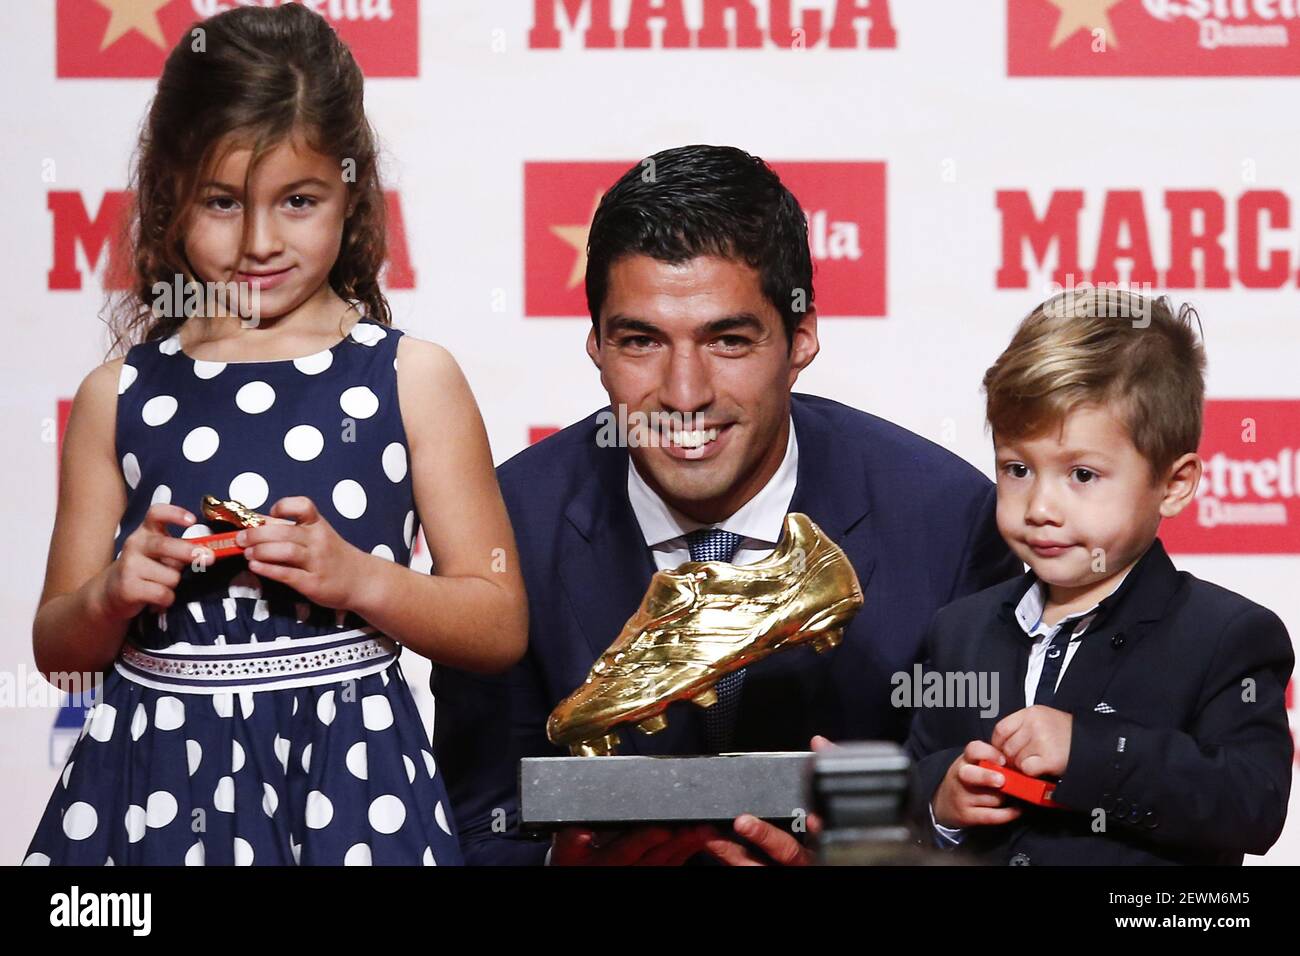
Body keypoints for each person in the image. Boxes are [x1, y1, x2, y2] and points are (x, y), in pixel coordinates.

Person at [23, 4, 527, 866]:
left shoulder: (411, 379)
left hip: (353, 781)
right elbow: (56, 648)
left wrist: (360, 577)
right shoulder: (120, 394)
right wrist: (112, 593)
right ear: (168, 196)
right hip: (153, 787)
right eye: (221, 203)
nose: (258, 242)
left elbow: (497, 622)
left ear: (352, 191)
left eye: (298, 201)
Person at [432, 144, 1022, 865]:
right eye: (641, 341)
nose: (685, 394)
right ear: (595, 345)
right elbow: (477, 822)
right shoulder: (507, 526)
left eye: (729, 340)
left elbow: (1001, 826)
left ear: (799, 339)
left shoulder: (948, 520)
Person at [906, 288, 1294, 865]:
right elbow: (918, 773)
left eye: (1082, 474)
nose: (1040, 506)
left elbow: (1251, 803)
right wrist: (941, 802)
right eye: (1017, 468)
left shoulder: (1225, 636)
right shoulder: (958, 629)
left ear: (1175, 483)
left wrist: (1089, 752)